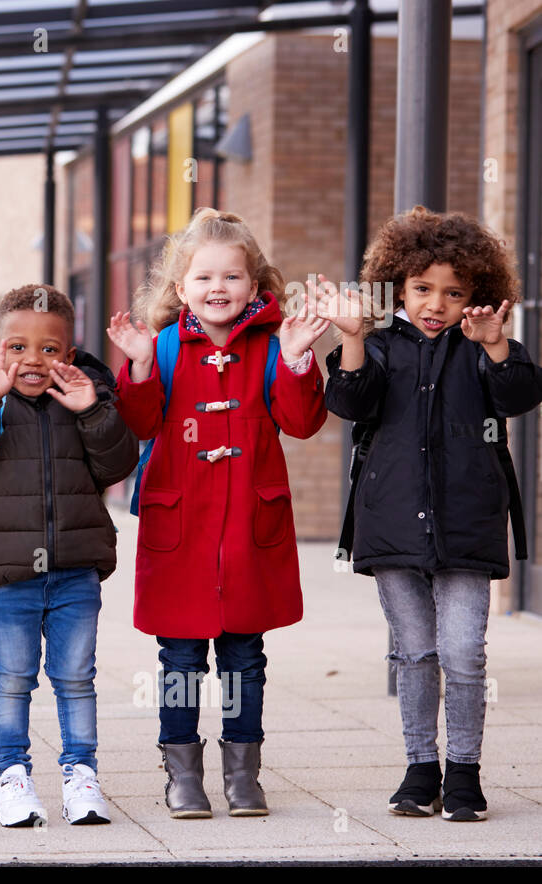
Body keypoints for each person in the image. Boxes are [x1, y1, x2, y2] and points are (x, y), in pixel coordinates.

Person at [107, 208, 329, 818]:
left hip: (249, 529)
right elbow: (143, 423)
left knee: (244, 657)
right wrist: (142, 366)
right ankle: (182, 774)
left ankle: (243, 773)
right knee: (178, 657)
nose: (218, 289)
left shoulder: (274, 342)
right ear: (182, 289)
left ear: (254, 287)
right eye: (204, 278)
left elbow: (302, 423)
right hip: (180, 527)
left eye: (232, 278)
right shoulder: (165, 345)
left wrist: (298, 360)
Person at [320, 206, 535, 822]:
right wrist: (354, 339)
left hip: (468, 525)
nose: (435, 303)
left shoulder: (487, 349)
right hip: (391, 524)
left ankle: (463, 772)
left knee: (465, 652)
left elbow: (521, 395)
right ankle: (421, 769)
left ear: (479, 296)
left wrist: (495, 345)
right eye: (421, 289)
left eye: (454, 292)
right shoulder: (381, 348)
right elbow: (349, 401)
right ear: (398, 286)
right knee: (414, 654)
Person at [0, 283, 138, 826]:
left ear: (68, 356)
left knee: (76, 678)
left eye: (49, 349)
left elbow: (118, 465)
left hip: (75, 569)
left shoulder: (86, 400)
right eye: (17, 347)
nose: (32, 359)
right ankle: (13, 777)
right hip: (8, 573)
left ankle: (81, 774)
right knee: (12, 678)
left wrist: (92, 410)